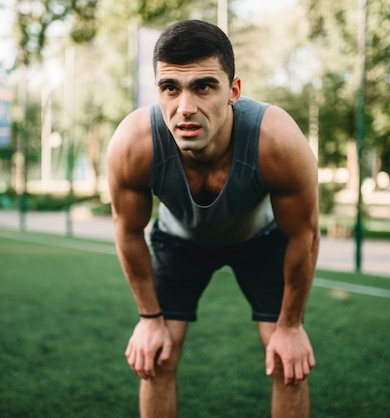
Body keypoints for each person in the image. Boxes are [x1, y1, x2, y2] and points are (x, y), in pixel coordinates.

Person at [107, 19, 320, 418]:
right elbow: (129, 231)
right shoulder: (133, 143)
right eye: (170, 88)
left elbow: (304, 235)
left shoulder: (276, 139)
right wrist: (149, 318)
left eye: (203, 86)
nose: (185, 107)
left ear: (233, 91)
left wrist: (290, 326)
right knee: (157, 356)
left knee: (289, 364)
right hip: (179, 239)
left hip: (261, 238)